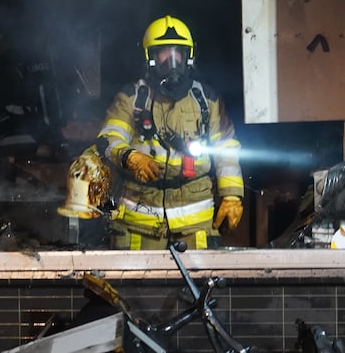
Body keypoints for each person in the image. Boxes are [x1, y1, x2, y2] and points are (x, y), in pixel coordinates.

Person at [94, 15, 245, 250]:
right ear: (150, 57)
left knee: (198, 285)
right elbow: (107, 139)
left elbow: (226, 149)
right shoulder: (132, 98)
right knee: (137, 286)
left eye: (178, 52)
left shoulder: (207, 100)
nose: (172, 60)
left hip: (195, 224)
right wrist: (130, 157)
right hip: (139, 222)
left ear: (189, 57)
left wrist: (232, 195)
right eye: (164, 52)